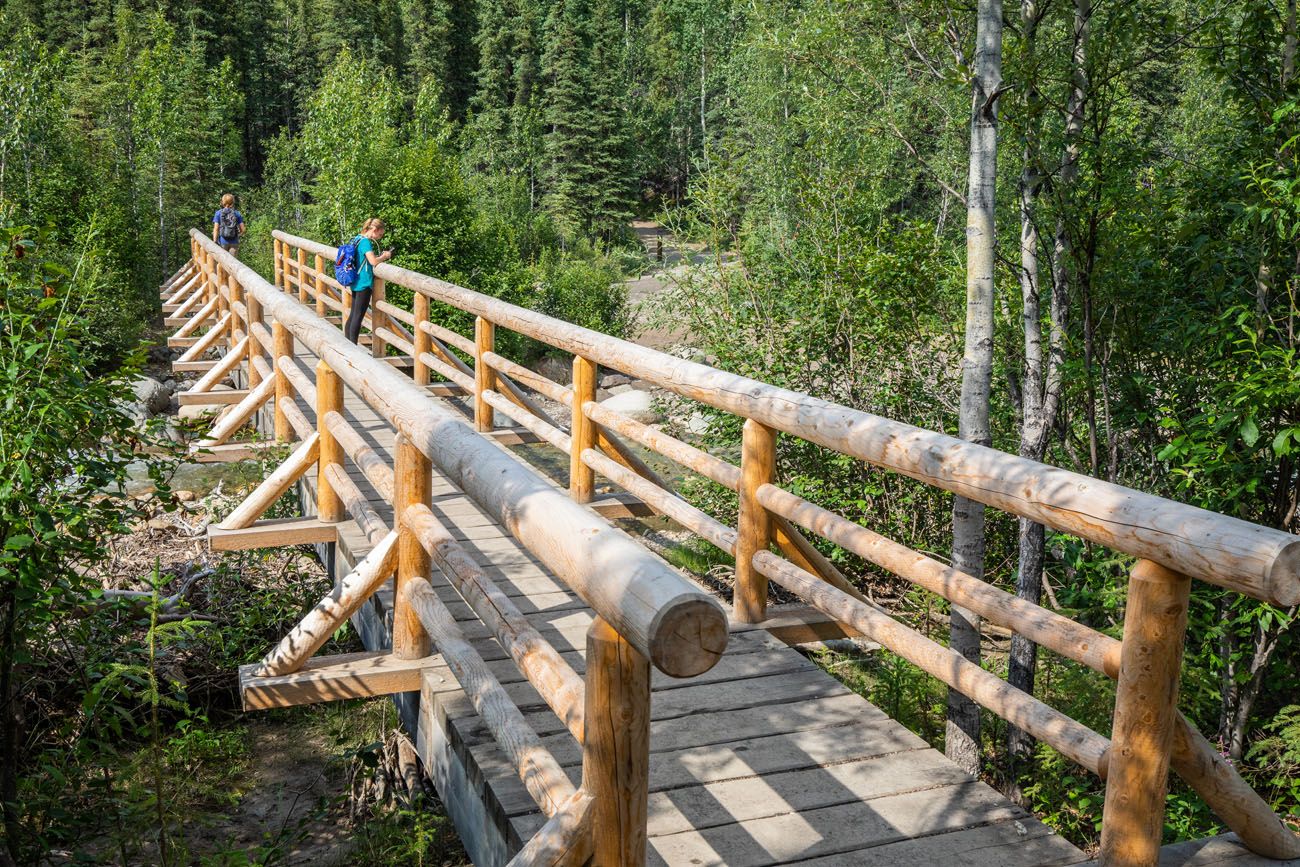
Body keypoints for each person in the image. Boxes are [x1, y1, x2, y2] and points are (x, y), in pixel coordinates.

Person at [345, 217, 393, 344]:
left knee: (353, 314)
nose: (380, 237)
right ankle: (352, 348)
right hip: (364, 283)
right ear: (375, 230)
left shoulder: (356, 238)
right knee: (357, 317)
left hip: (355, 281)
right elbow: (373, 261)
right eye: (380, 234)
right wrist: (385, 256)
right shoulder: (366, 242)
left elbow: (363, 259)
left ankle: (348, 344)